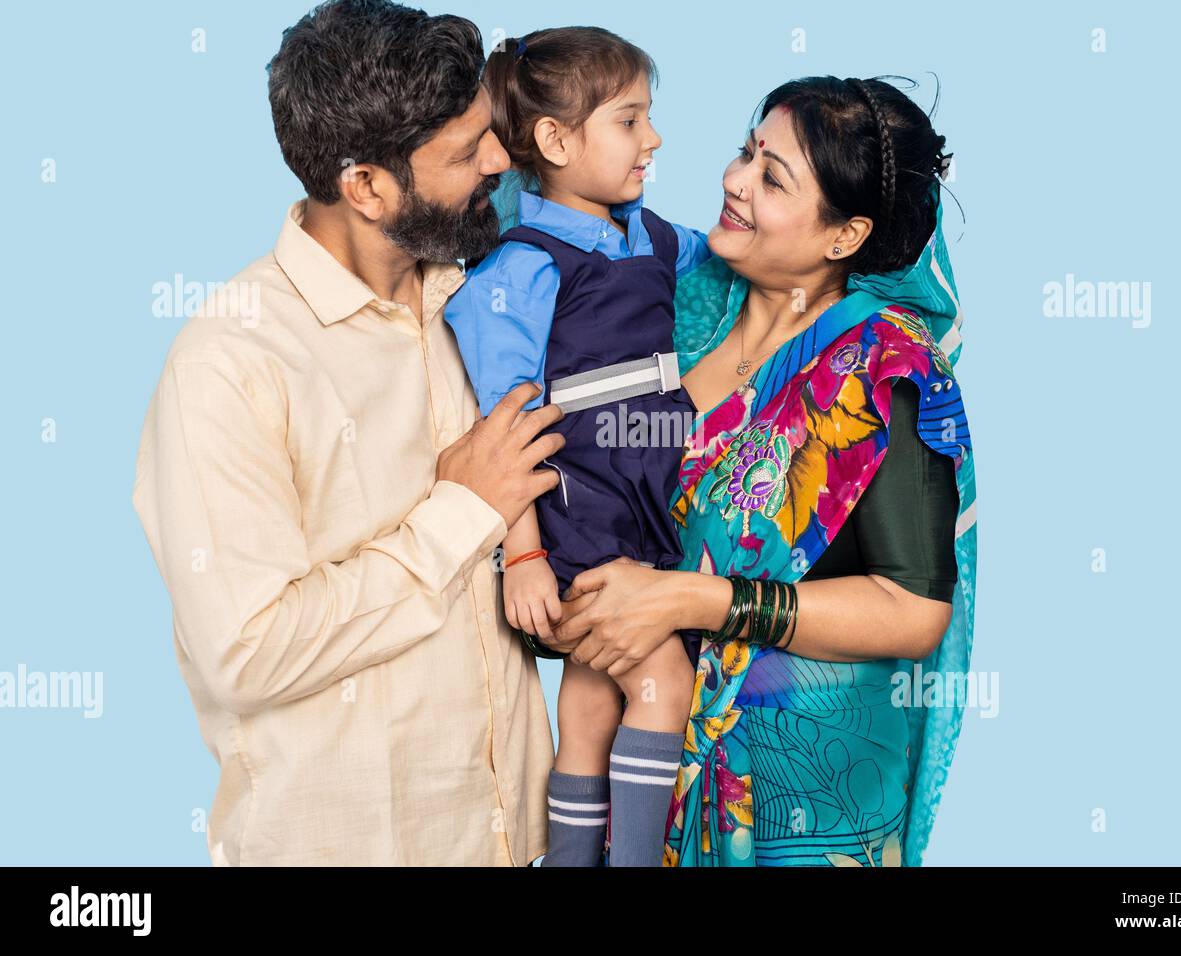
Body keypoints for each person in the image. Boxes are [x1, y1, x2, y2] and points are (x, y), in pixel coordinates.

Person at [131, 0, 564, 866]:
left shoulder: (486, 302)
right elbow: (247, 653)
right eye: (464, 150)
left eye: (489, 130)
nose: (497, 158)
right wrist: (460, 512)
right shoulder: (230, 361)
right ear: (365, 185)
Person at [543, 75, 978, 866]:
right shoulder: (673, 302)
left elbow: (913, 611)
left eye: (771, 178)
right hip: (643, 747)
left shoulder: (882, 368)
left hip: (801, 797)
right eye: (747, 152)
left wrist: (689, 597)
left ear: (844, 237)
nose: (733, 180)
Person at [443, 27, 712, 867]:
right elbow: (503, 422)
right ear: (556, 141)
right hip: (575, 522)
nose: (654, 140)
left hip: (645, 509)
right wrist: (521, 555)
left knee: (596, 700)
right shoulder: (523, 268)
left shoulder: (656, 239)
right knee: (662, 680)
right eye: (630, 121)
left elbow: (739, 268)